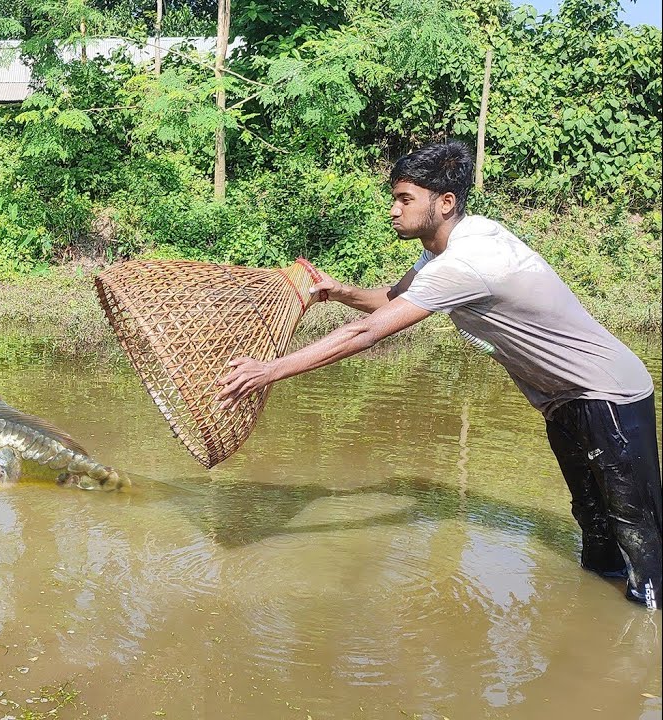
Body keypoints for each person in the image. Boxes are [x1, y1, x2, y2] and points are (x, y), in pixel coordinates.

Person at [215, 141, 661, 608]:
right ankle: (606, 632)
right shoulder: (453, 245)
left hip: (609, 394)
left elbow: (367, 333)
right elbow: (391, 298)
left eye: (405, 199)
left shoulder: (466, 263)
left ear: (444, 202)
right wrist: (337, 291)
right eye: (394, 198)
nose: (393, 210)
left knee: (639, 535)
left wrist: (270, 370)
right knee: (596, 531)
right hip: (563, 398)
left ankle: (648, 646)